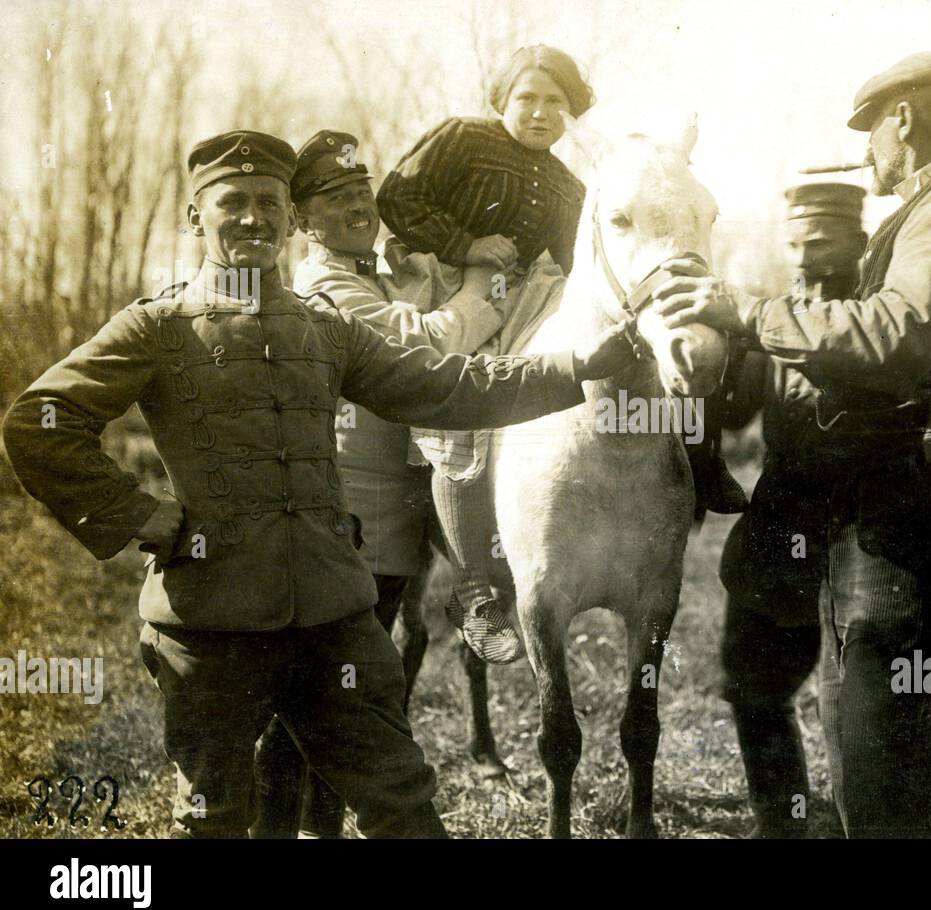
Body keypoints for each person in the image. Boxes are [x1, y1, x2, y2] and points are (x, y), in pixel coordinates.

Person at [1, 129, 636, 838]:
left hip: (336, 623)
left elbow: (446, 384)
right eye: (232, 202)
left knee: (405, 809)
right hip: (213, 629)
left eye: (268, 202)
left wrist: (574, 366)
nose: (252, 217)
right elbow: (39, 421)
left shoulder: (325, 329)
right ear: (195, 216)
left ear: (289, 217)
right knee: (214, 821)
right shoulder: (158, 327)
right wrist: (136, 515)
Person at [652, 51, 931, 837]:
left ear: (904, 118)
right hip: (913, 484)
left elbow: (899, 334)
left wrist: (749, 313)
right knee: (889, 718)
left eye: (873, 129)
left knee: (879, 723)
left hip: (926, 490)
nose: (869, 149)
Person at [378, 45, 746, 664]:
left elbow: (589, 257)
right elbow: (398, 198)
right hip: (454, 282)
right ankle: (473, 586)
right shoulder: (463, 138)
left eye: (556, 102)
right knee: (469, 398)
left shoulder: (570, 183)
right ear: (503, 100)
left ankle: (700, 461)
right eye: (528, 98)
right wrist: (466, 242)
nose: (541, 112)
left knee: (633, 351)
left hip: (532, 291)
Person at [250, 129, 507, 839]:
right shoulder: (322, 284)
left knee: (348, 688)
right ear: (303, 223)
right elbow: (422, 344)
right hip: (345, 514)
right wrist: (484, 281)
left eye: (363, 192)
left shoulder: (382, 272)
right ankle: (289, 829)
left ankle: (316, 827)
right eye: (335, 199)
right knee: (313, 692)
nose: (358, 206)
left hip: (388, 517)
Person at [717, 183, 869, 837]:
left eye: (821, 242)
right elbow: (732, 413)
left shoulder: (880, 318)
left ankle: (853, 821)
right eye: (794, 244)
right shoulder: (772, 318)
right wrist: (709, 353)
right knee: (751, 681)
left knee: (857, 701)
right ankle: (780, 822)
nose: (805, 257)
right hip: (782, 517)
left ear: (858, 243)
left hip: (863, 524)